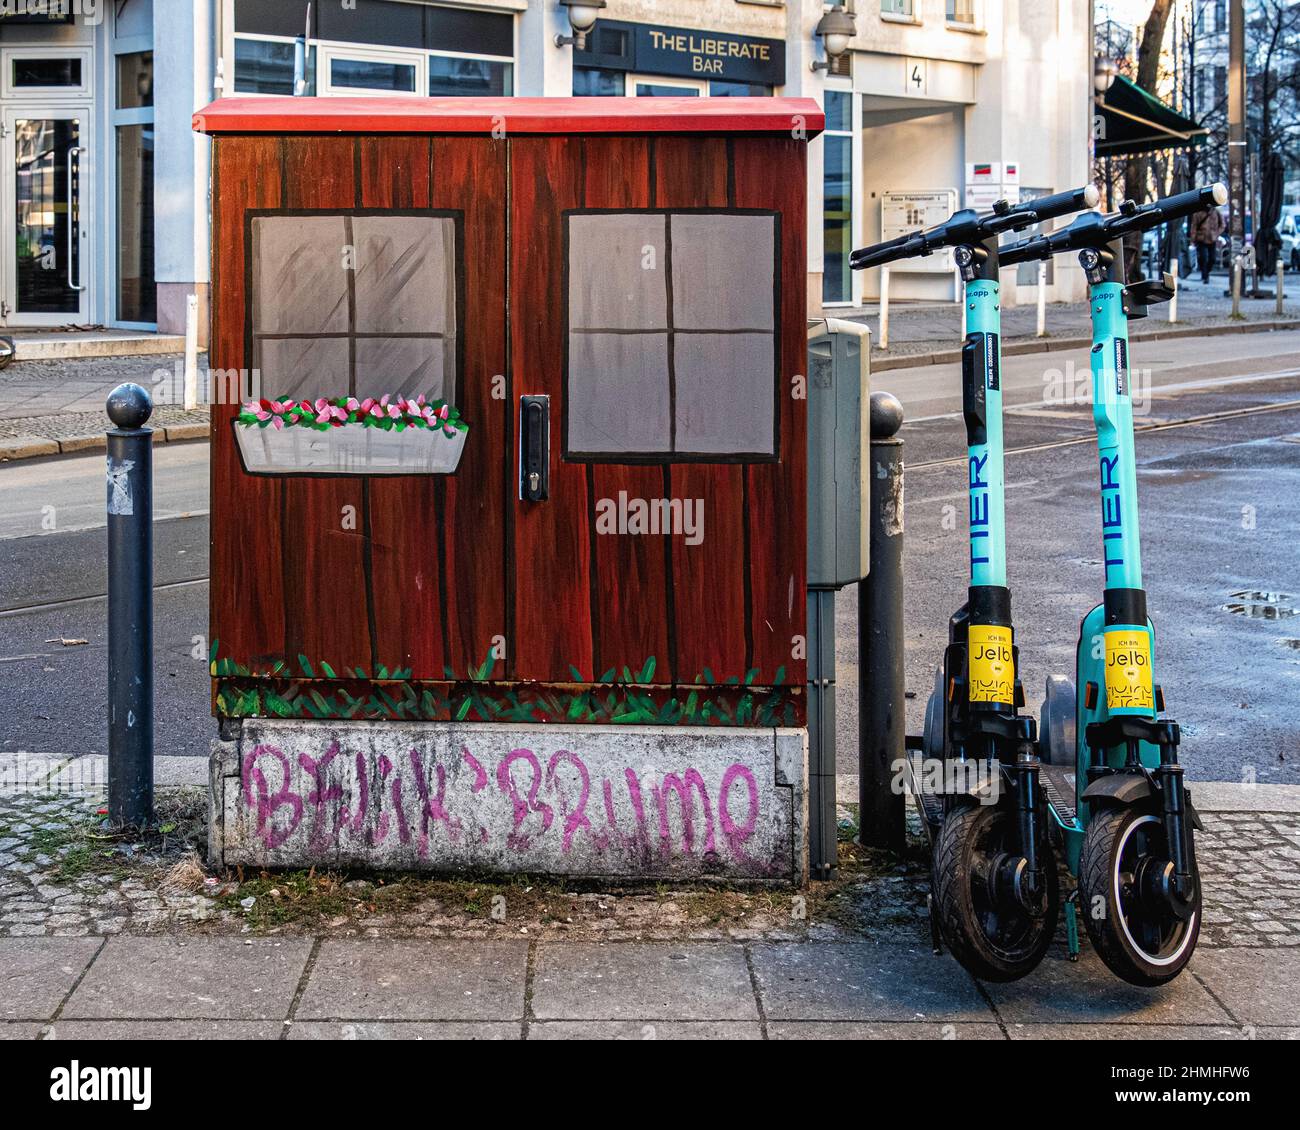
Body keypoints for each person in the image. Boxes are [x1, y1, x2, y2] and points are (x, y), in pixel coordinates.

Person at [1190, 203, 1225, 284]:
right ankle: (1205, 276)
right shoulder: (1198, 213)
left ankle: (1206, 272)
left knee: (1213, 259)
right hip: (1201, 239)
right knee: (1204, 258)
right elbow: (1194, 227)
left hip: (1212, 239)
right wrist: (1193, 240)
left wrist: (1217, 233)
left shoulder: (1216, 211)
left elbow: (1222, 224)